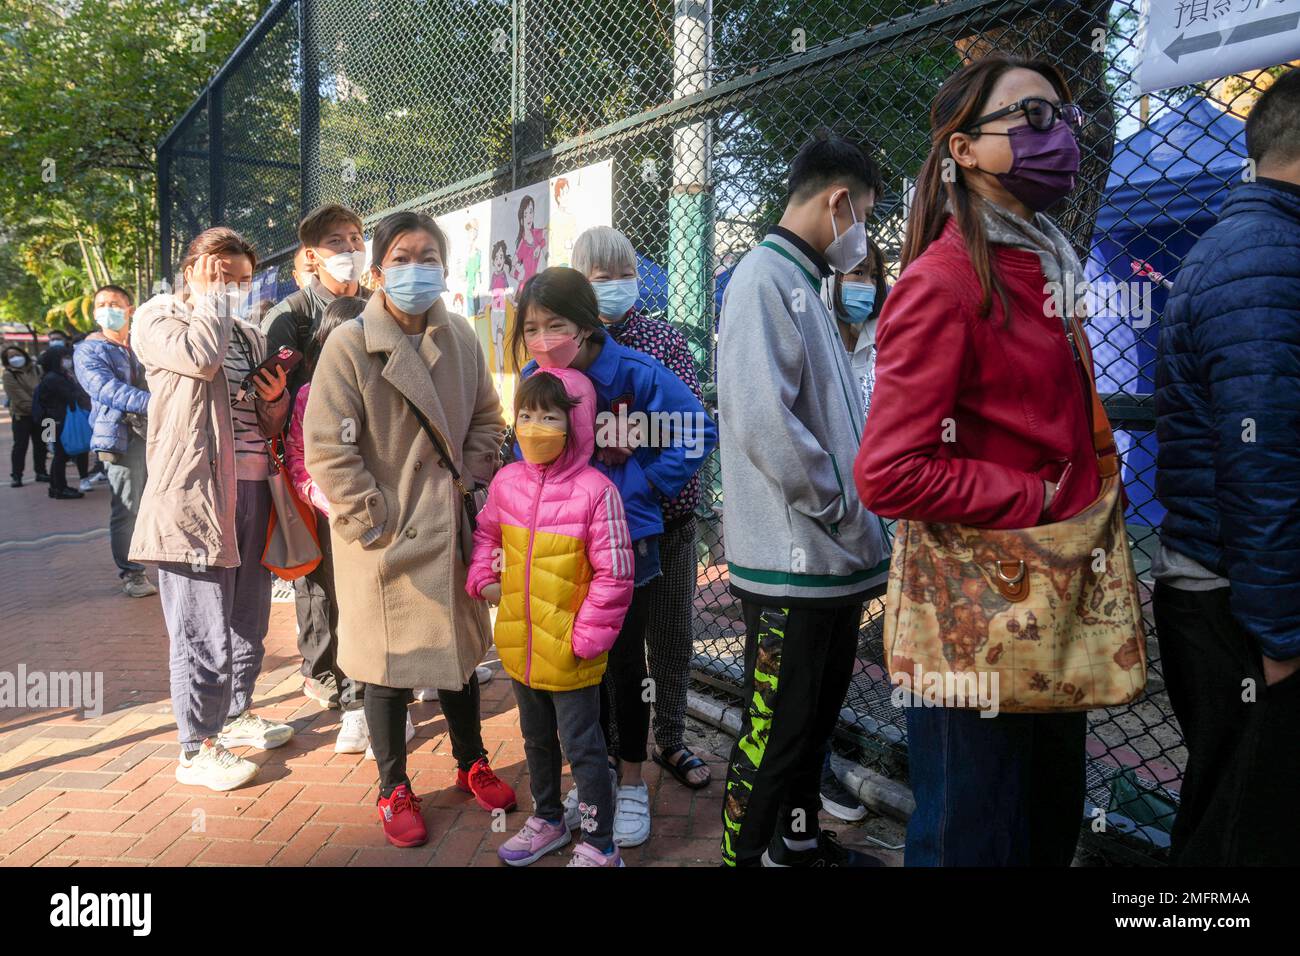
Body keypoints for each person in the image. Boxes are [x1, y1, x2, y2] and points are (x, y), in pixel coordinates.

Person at [855, 56, 1098, 866]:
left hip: (1049, 589)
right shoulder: (945, 282)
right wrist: (1034, 493)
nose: (1057, 134)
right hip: (973, 606)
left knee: (1044, 821)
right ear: (963, 149)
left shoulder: (1044, 259)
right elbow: (888, 472)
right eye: (1031, 118)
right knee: (973, 836)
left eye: (1064, 117)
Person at [304, 210, 516, 848]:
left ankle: (470, 760)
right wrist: (374, 519)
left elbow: (487, 417)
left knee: (457, 656)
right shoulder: (347, 345)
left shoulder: (459, 338)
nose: (416, 269)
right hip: (382, 535)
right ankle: (393, 785)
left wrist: (472, 482)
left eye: (428, 257)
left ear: (444, 270)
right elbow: (328, 447)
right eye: (402, 257)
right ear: (377, 273)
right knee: (387, 666)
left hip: (449, 523)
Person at [717, 130, 890, 868]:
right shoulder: (766, 278)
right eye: (866, 218)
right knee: (774, 731)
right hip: (797, 560)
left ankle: (796, 843)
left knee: (812, 722)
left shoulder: (802, 280)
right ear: (840, 201)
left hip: (826, 561)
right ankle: (742, 858)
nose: (863, 240)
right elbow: (765, 421)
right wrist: (845, 509)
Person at [510, 266, 716, 849]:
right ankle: (595, 776)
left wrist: (645, 481)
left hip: (627, 541)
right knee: (582, 663)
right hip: (561, 546)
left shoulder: (634, 372)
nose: (545, 339)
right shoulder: (536, 375)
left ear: (587, 322)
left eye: (557, 325)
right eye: (532, 327)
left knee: (626, 662)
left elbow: (697, 431)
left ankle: (629, 782)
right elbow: (526, 447)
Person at [1152, 68, 1300, 866]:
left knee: (1224, 817)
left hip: (1227, 594)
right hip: (1243, 607)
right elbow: (1264, 458)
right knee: (1243, 834)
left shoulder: (1246, 244)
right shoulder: (1268, 258)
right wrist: (1281, 640)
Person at [130, 226, 296, 792]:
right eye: (223, 274)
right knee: (201, 628)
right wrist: (212, 301)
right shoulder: (158, 319)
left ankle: (237, 711)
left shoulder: (246, 334)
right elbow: (200, 360)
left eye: (243, 279)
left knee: (248, 618)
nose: (234, 287)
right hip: (193, 497)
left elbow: (261, 421)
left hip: (251, 490)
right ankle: (196, 746)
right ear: (195, 269)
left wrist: (273, 401)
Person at [468, 367, 634, 867]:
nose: (536, 425)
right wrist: (484, 579)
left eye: (550, 415)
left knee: (583, 747)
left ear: (575, 423)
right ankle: (548, 818)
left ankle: (601, 842)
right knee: (536, 738)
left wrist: (586, 637)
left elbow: (615, 573)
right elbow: (486, 538)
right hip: (520, 644)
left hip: (571, 649)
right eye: (526, 414)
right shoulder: (506, 482)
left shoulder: (595, 491)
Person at [572, 225, 711, 790]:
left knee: (672, 635)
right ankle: (609, 743)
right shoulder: (567, 350)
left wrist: (650, 480)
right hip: (597, 530)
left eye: (625, 275)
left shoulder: (665, 342)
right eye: (600, 277)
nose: (615, 286)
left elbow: (694, 427)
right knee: (609, 642)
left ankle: (671, 739)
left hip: (669, 519)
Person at [262, 203, 371, 710]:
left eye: (355, 239)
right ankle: (322, 671)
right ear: (312, 255)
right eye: (336, 243)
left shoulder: (380, 306)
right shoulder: (288, 316)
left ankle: (375, 666)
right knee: (320, 575)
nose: (349, 249)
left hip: (375, 458)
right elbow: (272, 403)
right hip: (310, 467)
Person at [282, 294, 383, 753]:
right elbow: (300, 462)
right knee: (342, 610)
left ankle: (393, 700)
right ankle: (355, 707)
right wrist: (335, 503)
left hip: (389, 515)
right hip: (336, 520)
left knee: (384, 609)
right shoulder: (309, 394)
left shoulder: (388, 381)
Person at [816, 236, 892, 824]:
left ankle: (820, 758)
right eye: (851, 273)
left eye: (869, 272)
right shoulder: (812, 334)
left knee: (842, 648)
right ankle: (810, 770)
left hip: (876, 515)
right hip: (819, 517)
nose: (859, 283)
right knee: (809, 651)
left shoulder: (886, 342)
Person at [73, 284, 157, 598]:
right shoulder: (89, 350)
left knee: (161, 503)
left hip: (157, 435)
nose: (107, 309)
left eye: (114, 303)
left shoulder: (141, 343)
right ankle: (132, 574)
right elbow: (107, 390)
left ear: (130, 309)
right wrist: (159, 403)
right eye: (101, 304)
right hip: (121, 439)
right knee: (128, 507)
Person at [32, 347, 91, 500]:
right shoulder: (55, 378)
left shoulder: (53, 376)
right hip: (56, 421)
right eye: (64, 357)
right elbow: (72, 395)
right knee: (60, 455)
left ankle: (56, 486)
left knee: (59, 454)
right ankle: (59, 488)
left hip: (51, 420)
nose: (68, 361)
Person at [3, 344, 48, 486]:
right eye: (10, 357)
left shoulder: (37, 369)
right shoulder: (9, 375)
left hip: (41, 414)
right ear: (6, 361)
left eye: (17, 354)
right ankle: (17, 475)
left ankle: (41, 472)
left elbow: (44, 389)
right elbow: (18, 397)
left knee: (42, 444)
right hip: (22, 415)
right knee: (20, 446)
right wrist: (36, 407)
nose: (15, 358)